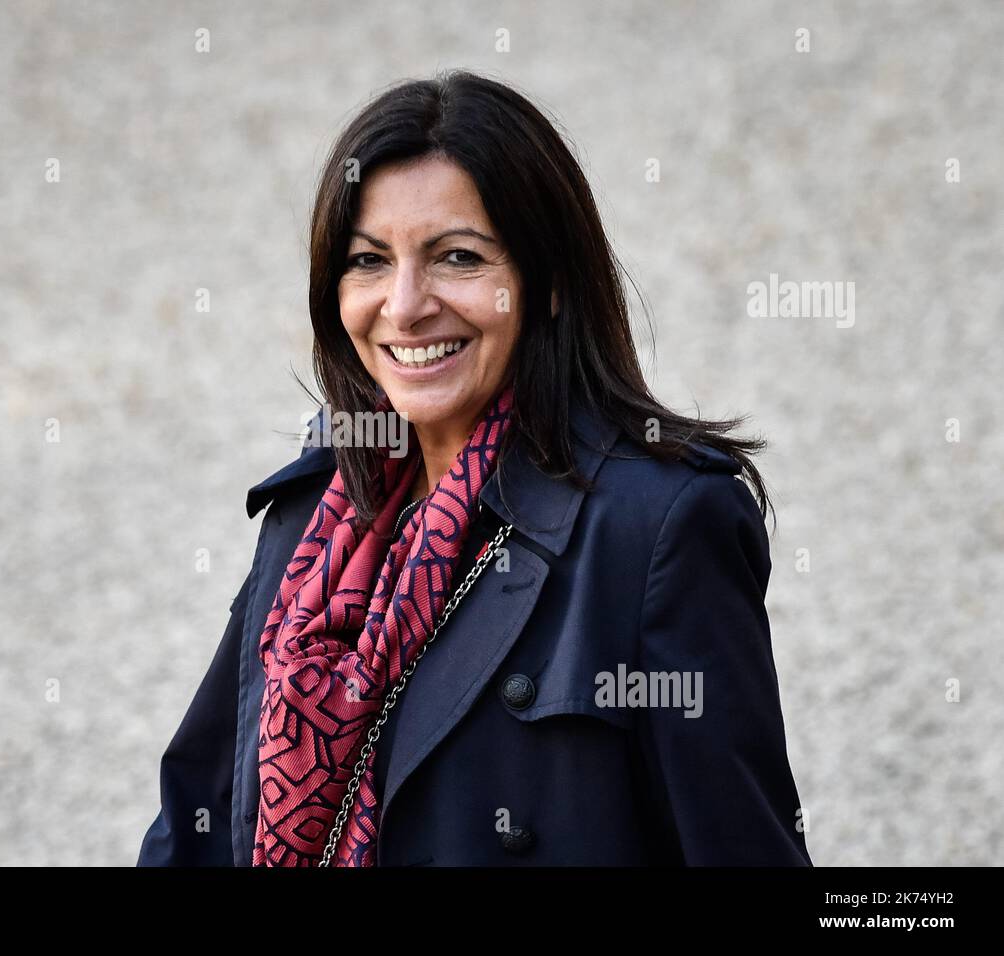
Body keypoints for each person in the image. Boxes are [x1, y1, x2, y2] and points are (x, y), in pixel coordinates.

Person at [137, 69, 812, 867]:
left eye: (457, 258)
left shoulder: (657, 527)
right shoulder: (311, 516)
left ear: (548, 282)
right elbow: (198, 820)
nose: (405, 305)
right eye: (369, 261)